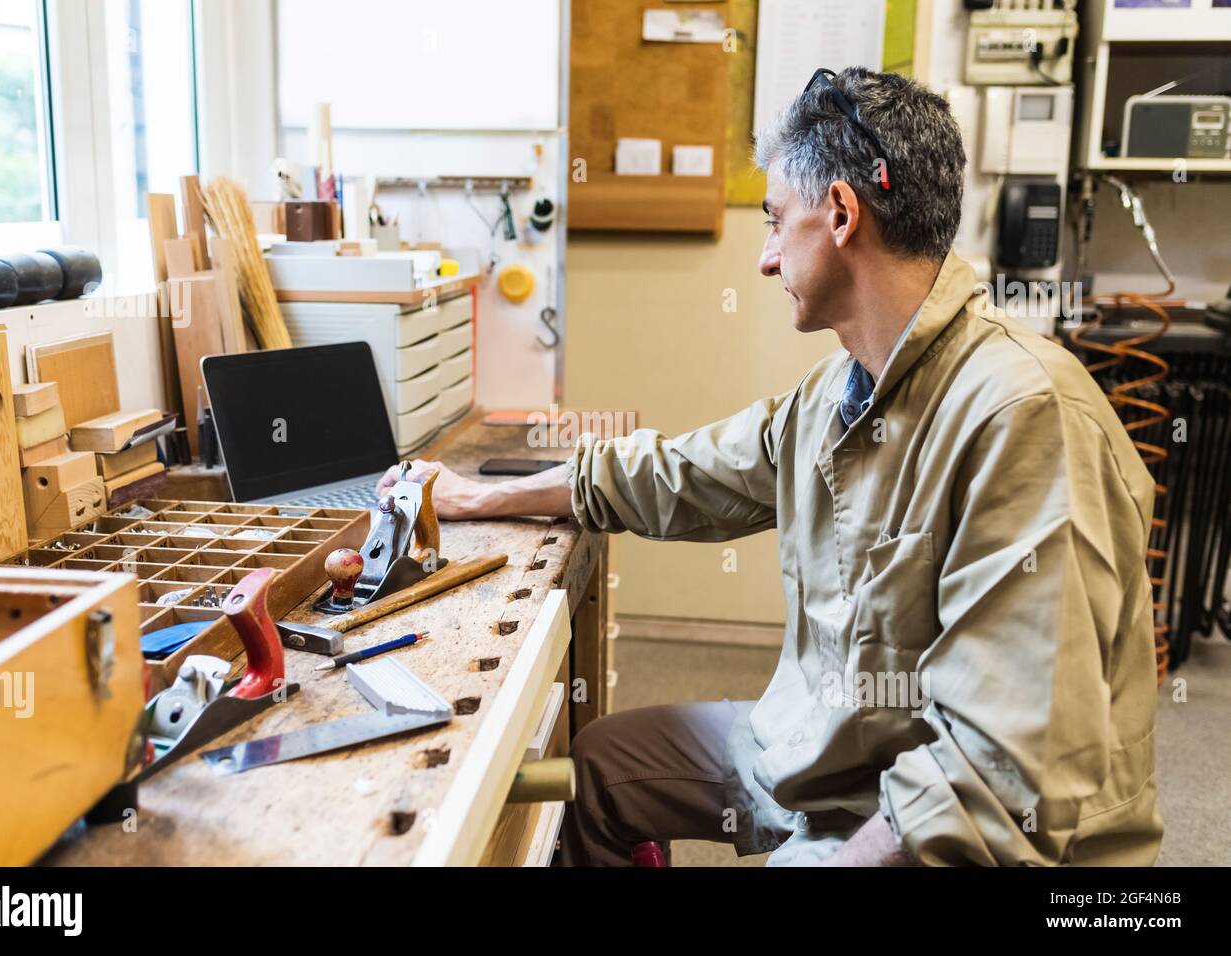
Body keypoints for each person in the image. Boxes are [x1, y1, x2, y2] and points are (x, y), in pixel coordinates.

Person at [377, 67, 1163, 866]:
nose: (763, 259)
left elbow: (994, 783)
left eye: (775, 222)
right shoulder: (840, 392)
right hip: (827, 755)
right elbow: (684, 472)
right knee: (599, 774)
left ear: (842, 214)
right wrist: (482, 497)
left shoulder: (1023, 416)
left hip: (951, 829)